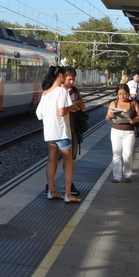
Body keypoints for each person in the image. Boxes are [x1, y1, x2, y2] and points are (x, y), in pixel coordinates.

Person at [35, 66, 80, 203]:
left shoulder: (45, 93)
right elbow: (61, 112)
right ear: (61, 75)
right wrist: (73, 106)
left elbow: (39, 114)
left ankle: (51, 191)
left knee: (51, 160)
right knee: (68, 163)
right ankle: (68, 194)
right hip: (62, 132)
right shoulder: (61, 91)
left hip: (49, 132)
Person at [105, 83, 139, 183]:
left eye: (125, 94)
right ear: (117, 94)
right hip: (116, 131)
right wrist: (110, 115)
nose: (122, 96)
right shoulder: (114, 103)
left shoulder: (133, 103)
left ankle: (127, 174)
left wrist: (134, 120)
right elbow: (107, 118)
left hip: (129, 132)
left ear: (128, 93)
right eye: (120, 94)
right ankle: (116, 176)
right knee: (116, 154)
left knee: (127, 154)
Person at [62, 67, 84, 195]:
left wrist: (78, 103)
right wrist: (72, 105)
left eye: (73, 80)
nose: (71, 82)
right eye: (69, 79)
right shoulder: (57, 91)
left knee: (71, 160)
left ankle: (69, 184)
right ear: (63, 77)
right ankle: (50, 184)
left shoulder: (74, 91)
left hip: (73, 129)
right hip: (60, 131)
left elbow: (83, 107)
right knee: (55, 159)